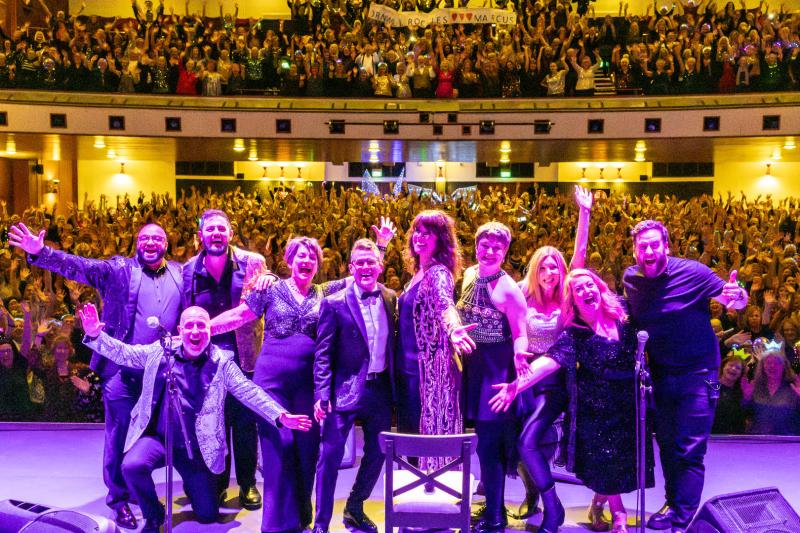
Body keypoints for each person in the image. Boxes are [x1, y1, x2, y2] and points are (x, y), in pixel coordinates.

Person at [210, 222, 395, 533]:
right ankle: (276, 525)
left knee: (307, 453)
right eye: (301, 255)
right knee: (279, 446)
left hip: (309, 386)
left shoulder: (326, 292)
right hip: (272, 384)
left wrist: (382, 245)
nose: (307, 260)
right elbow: (241, 315)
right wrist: (203, 326)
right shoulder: (271, 289)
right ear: (289, 259)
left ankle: (301, 519)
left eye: (313, 257)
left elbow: (364, 273)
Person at [8, 220, 183, 531]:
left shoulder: (180, 274)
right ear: (136, 243)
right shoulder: (119, 270)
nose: (151, 242)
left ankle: (147, 492)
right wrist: (42, 252)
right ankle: (118, 500)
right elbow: (79, 266)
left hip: (163, 373)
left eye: (158, 237)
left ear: (166, 244)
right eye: (145, 237)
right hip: (122, 371)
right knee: (117, 438)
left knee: (156, 438)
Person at [78, 303, 311, 532]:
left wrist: (279, 415)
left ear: (210, 329)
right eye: (190, 326)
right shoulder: (160, 352)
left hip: (197, 450)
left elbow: (249, 391)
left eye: (202, 326)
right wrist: (95, 336)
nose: (196, 331)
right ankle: (153, 515)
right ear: (181, 331)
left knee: (208, 515)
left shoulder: (222, 362)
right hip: (159, 441)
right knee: (132, 466)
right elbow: (124, 354)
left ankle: (196, 488)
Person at [490, 269, 655, 533]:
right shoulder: (574, 333)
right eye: (578, 290)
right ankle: (619, 514)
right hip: (596, 408)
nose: (586, 291)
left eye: (589, 285)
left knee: (622, 463)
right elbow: (548, 362)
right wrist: (516, 386)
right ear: (573, 301)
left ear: (599, 287)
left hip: (628, 402)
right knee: (606, 460)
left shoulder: (624, 314)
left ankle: (598, 503)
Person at [623, 219, 748, 533]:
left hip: (699, 372)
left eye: (655, 244)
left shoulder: (694, 272)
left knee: (689, 448)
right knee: (667, 444)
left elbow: (732, 299)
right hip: (662, 374)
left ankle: (681, 520)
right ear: (635, 250)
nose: (649, 250)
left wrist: (738, 295)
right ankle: (672, 502)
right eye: (642, 246)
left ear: (666, 246)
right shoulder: (631, 279)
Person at [515, 185, 593, 530]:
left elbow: (580, 257)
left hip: (554, 385)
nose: (551, 272)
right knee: (517, 448)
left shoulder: (566, 295)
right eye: (545, 267)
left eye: (556, 267)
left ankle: (553, 506)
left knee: (529, 442)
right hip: (523, 382)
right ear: (535, 270)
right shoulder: (521, 292)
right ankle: (535, 495)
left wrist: (584, 213)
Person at [311, 238, 397, 533]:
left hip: (379, 389)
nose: (365, 267)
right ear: (350, 267)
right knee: (330, 456)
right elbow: (322, 353)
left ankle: (354, 506)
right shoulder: (333, 303)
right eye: (359, 263)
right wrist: (322, 393)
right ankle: (320, 523)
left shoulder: (390, 297)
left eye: (370, 262)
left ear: (380, 266)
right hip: (342, 390)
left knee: (378, 451)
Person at [182, 209, 266, 509]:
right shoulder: (189, 270)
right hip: (208, 362)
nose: (216, 233)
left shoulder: (253, 263)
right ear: (200, 235)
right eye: (210, 229)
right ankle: (217, 485)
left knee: (245, 425)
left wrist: (207, 326)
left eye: (221, 228)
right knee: (213, 423)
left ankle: (247, 485)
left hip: (245, 361)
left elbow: (250, 310)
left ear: (230, 233)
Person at [457, 221, 529, 533]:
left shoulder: (509, 288)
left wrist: (520, 355)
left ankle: (496, 515)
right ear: (476, 246)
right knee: (478, 443)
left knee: (490, 445)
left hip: (495, 369)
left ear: (506, 251)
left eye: (497, 247)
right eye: (484, 245)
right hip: (469, 366)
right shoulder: (469, 274)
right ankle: (490, 506)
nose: (489, 251)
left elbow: (521, 334)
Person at [395, 210, 475, 448]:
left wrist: (453, 329)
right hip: (409, 369)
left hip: (428, 373)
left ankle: (434, 485)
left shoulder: (438, 273)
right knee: (411, 439)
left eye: (427, 233)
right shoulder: (417, 274)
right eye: (417, 231)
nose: (419, 237)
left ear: (441, 239)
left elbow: (445, 304)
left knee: (427, 440)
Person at [741, 341, 800, 435]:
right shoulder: (755, 387)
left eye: (776, 363)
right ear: (762, 367)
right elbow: (744, 415)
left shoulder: (793, 387)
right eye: (768, 363)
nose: (772, 366)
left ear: (784, 367)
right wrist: (746, 399)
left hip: (787, 441)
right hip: (758, 440)